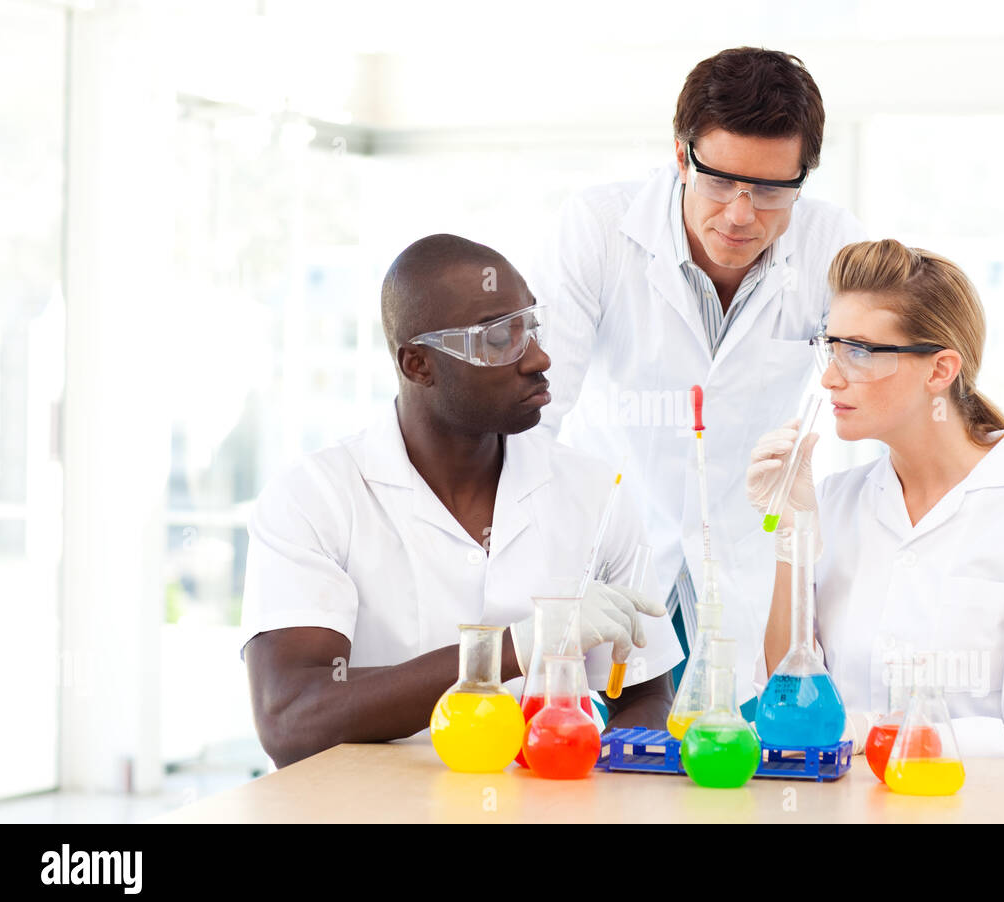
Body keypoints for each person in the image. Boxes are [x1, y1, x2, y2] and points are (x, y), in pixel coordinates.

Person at [240, 234, 682, 768]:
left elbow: (645, 694)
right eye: (498, 338)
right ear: (418, 364)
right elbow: (290, 718)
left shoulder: (596, 494)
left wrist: (597, 781)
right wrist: (522, 645)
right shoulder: (315, 498)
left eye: (531, 329)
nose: (538, 359)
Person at [530, 47, 866, 709]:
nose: (741, 215)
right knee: (606, 778)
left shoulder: (834, 247)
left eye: (771, 190)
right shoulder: (597, 229)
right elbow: (535, 414)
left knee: (735, 786)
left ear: (805, 176)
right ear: (682, 157)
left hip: (746, 562)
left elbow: (882, 385)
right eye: (720, 182)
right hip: (614, 556)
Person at [746, 239, 1004, 760]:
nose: (831, 377)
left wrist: (888, 735)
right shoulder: (831, 502)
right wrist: (793, 537)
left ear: (940, 371)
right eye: (831, 348)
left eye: (859, 352)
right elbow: (783, 701)